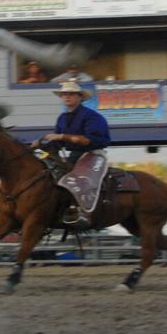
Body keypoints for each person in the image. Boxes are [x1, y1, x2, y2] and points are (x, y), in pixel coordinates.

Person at [40, 81, 113, 228]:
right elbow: (57, 143)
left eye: (71, 94)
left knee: (80, 179)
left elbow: (87, 141)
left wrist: (61, 137)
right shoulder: (62, 118)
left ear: (80, 97)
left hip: (93, 154)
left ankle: (83, 212)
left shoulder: (92, 117)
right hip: (74, 155)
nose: (67, 97)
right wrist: (40, 144)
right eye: (64, 94)